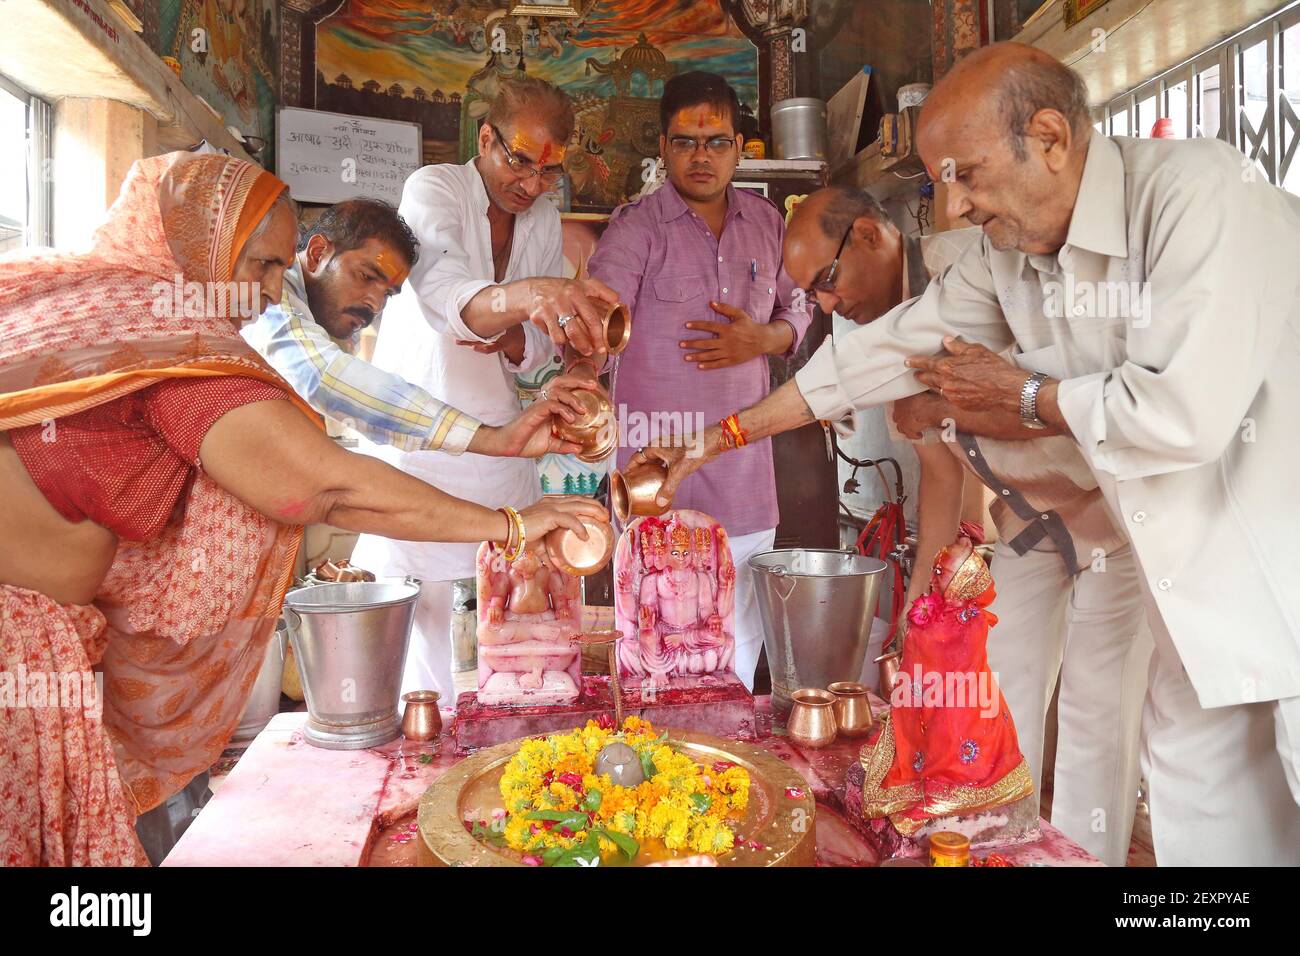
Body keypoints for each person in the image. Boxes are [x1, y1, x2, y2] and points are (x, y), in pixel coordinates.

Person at [645, 42, 1300, 865]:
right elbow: (875, 354)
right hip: (1188, 591)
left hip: (1276, 569)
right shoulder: (1008, 254)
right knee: (1206, 827)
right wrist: (726, 433)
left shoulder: (1196, 196)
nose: (952, 206)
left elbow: (1184, 414)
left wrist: (1026, 398)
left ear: (1052, 138)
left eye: (965, 174)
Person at [0, 151, 605, 866]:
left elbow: (350, 415)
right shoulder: (175, 344)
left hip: (44, 640)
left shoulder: (142, 317)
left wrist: (502, 440)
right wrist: (514, 523)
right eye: (258, 266)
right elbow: (328, 483)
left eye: (275, 270)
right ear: (196, 245)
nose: (266, 292)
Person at [782, 186, 1151, 866]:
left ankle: (1082, 858)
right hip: (1026, 519)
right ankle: (1000, 850)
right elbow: (944, 478)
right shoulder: (879, 340)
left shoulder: (969, 268)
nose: (827, 307)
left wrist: (953, 409)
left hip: (1110, 506)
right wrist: (917, 615)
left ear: (869, 235)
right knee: (990, 693)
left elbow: (1055, 396)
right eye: (813, 296)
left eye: (827, 282)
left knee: (1097, 708)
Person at [349, 76, 620, 703]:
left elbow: (534, 354)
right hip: (420, 431)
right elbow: (443, 293)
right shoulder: (433, 188)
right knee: (421, 619)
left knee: (511, 599)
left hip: (500, 442)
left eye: (548, 171)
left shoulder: (544, 218)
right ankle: (423, 753)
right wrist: (533, 296)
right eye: (518, 161)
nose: (530, 184)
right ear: (486, 137)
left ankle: (504, 738)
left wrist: (540, 337)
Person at [587, 71, 811, 689]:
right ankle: (656, 776)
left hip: (743, 477)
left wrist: (764, 339)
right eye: (685, 142)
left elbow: (802, 305)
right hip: (654, 477)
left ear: (741, 147)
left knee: (735, 644)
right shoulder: (636, 228)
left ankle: (729, 768)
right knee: (653, 642)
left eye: (716, 141)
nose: (701, 156)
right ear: (662, 147)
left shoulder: (769, 223)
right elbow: (598, 315)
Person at [241, 197, 597, 462]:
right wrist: (492, 439)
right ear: (318, 252)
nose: (375, 304)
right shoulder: (267, 296)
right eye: (366, 277)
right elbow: (325, 377)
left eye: (388, 293)